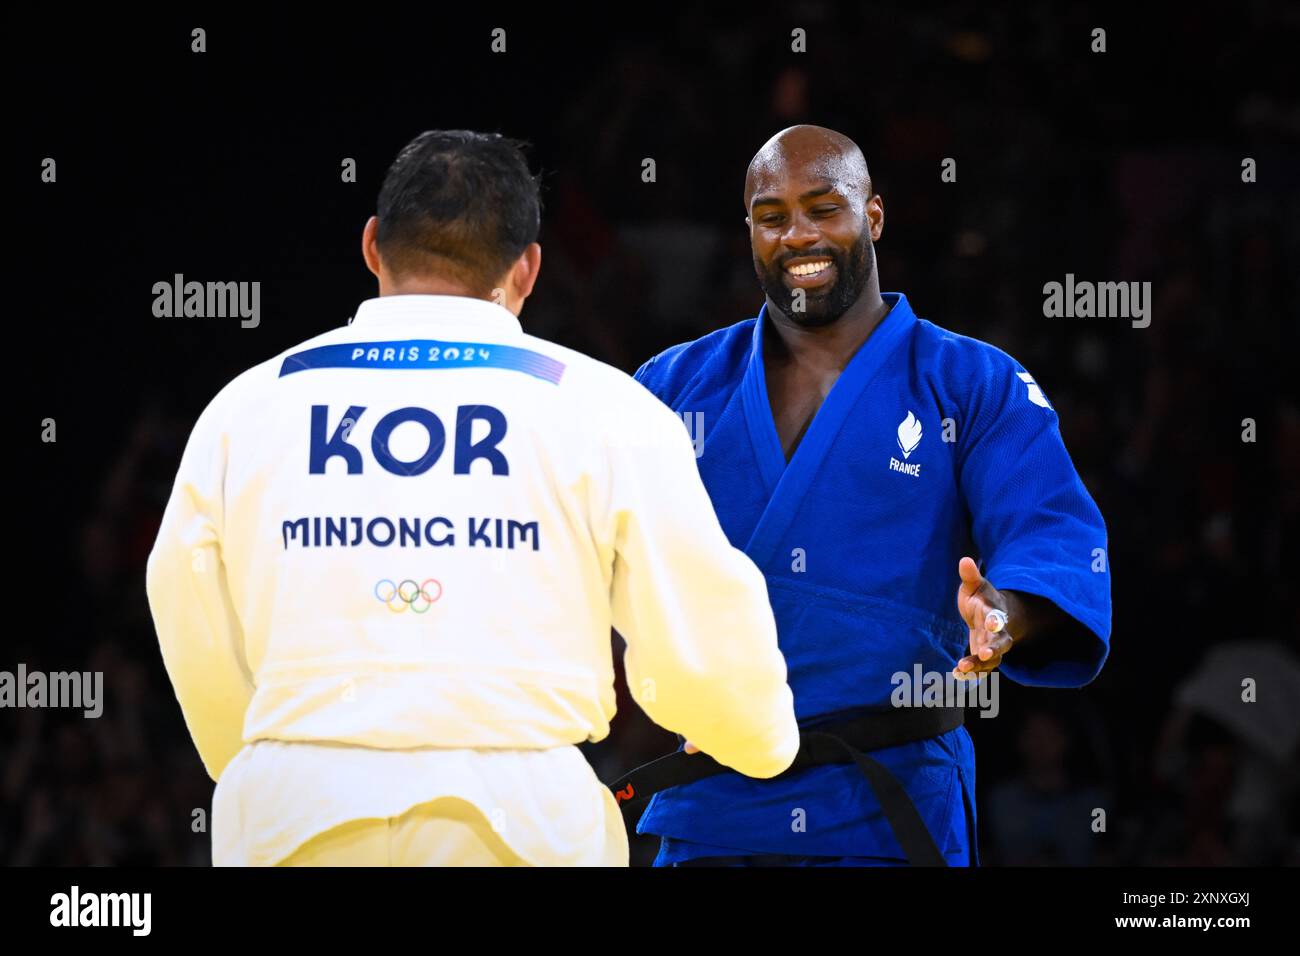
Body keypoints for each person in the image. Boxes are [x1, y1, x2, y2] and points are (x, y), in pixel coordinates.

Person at [145, 129, 799, 867]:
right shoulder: (602, 407)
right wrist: (760, 739)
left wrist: (269, 752)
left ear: (371, 247)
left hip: (289, 818)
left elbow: (182, 597)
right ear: (527, 269)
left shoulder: (247, 406)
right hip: (520, 821)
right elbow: (699, 627)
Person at [630, 125, 1112, 866]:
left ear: (873, 217)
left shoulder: (969, 381)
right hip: (713, 805)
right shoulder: (674, 386)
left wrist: (1005, 613)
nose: (798, 235)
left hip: (891, 806)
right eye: (772, 215)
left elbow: (1048, 528)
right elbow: (592, 556)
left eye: (824, 208)